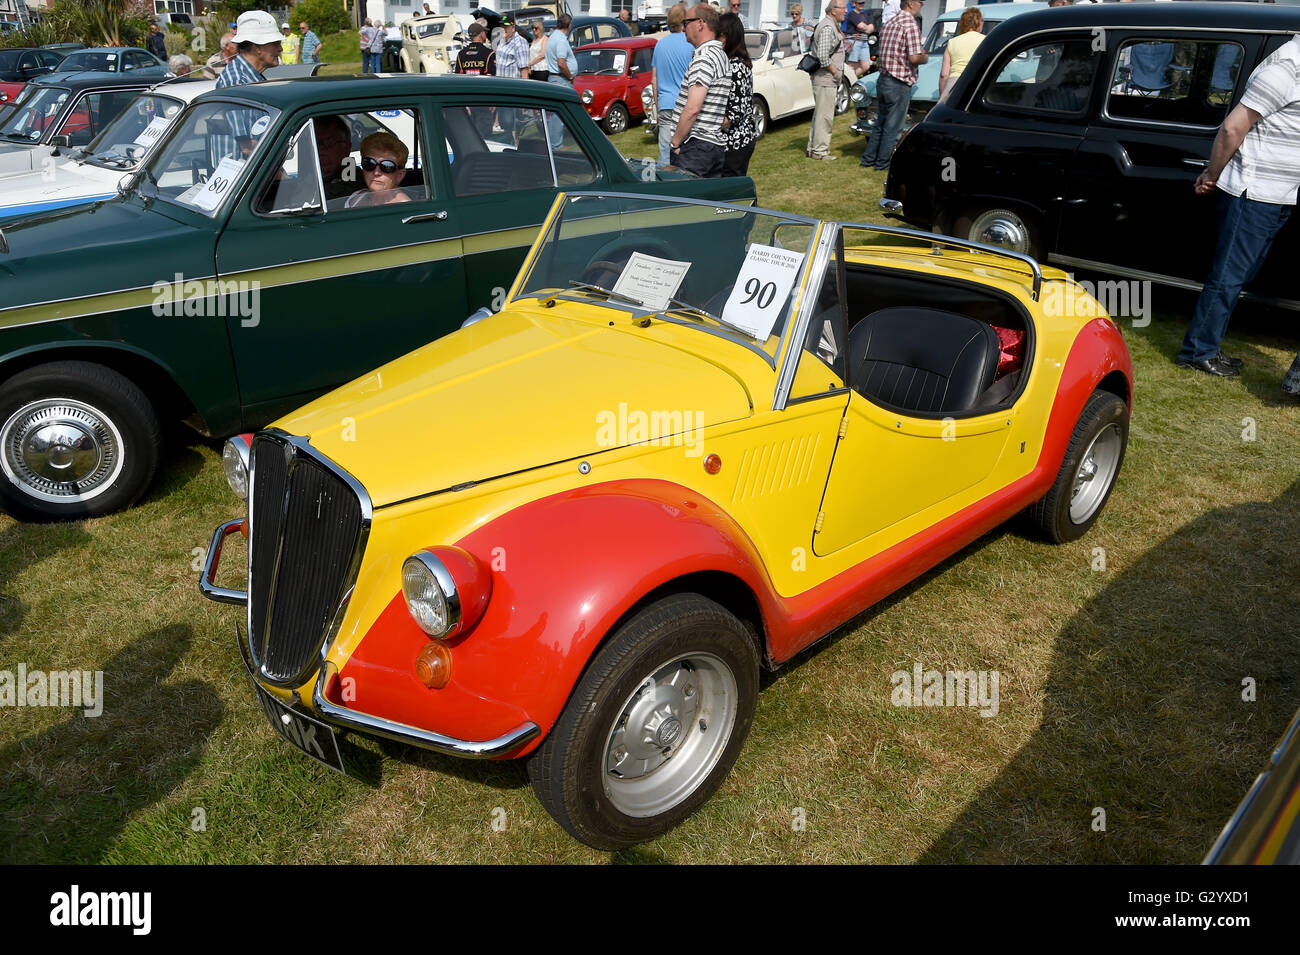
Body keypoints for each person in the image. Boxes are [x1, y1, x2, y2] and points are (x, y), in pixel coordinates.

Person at [1175, 34, 1300, 382]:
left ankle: (1207, 347)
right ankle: (1197, 352)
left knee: (1240, 275)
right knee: (1229, 276)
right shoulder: (1288, 65)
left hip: (1278, 193)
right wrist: (1212, 173)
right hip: (1255, 191)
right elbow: (1233, 127)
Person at [858, 0, 925, 170]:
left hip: (884, 78)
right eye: (920, 2)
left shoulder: (889, 22)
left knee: (880, 123)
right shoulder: (910, 24)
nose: (922, 5)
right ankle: (883, 163)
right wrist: (926, 57)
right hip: (899, 82)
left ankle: (868, 159)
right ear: (910, 3)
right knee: (893, 127)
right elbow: (914, 58)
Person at [668, 4, 731, 177]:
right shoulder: (721, 55)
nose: (683, 27)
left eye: (686, 22)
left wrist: (675, 142)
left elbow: (692, 109)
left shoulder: (704, 58)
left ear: (700, 23)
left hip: (696, 148)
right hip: (712, 147)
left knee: (683, 201)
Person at [651, 3, 693, 166]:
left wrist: (657, 103)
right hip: (685, 104)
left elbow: (654, 80)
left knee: (664, 152)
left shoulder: (659, 45)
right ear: (684, 22)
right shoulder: (690, 44)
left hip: (665, 104)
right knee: (685, 149)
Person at [807, 0, 847, 162]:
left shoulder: (829, 25)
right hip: (825, 79)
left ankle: (813, 149)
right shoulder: (828, 27)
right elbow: (823, 56)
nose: (846, 11)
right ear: (833, 11)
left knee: (820, 115)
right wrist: (836, 72)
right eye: (843, 8)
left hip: (824, 79)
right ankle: (820, 151)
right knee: (825, 117)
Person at [718, 12, 755, 176]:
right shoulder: (736, 63)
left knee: (733, 194)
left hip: (735, 143)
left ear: (726, 37)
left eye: (717, 35)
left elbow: (735, 113)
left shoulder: (736, 67)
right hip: (738, 139)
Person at [345, 132, 413, 208]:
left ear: (400, 175)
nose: (376, 172)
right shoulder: (354, 199)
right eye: (369, 164)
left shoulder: (405, 208)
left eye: (387, 166)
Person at [217, 11, 282, 88]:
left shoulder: (247, 78)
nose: (280, 49)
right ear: (257, 47)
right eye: (275, 43)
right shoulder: (238, 83)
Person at [544, 13, 578, 145]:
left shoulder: (552, 37)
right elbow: (561, 62)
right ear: (569, 25)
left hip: (555, 77)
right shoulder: (561, 40)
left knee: (556, 115)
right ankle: (556, 145)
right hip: (561, 79)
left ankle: (556, 142)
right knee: (559, 116)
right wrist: (570, 76)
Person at [938, 6, 983, 104]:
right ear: (979, 23)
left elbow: (944, 75)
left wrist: (943, 95)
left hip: (954, 83)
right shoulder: (986, 40)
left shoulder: (952, 42)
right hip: (978, 83)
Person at [314, 115, 355, 203]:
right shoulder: (311, 176)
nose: (320, 151)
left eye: (329, 143)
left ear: (347, 147)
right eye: (316, 143)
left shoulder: (352, 178)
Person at [845, 0, 874, 76]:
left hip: (865, 42)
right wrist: (866, 28)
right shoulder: (852, 14)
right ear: (854, 4)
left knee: (866, 66)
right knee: (851, 66)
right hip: (854, 42)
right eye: (860, 3)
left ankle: (851, 81)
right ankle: (847, 83)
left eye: (863, 2)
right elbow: (860, 26)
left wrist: (865, 28)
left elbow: (871, 28)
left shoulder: (865, 14)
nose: (862, 4)